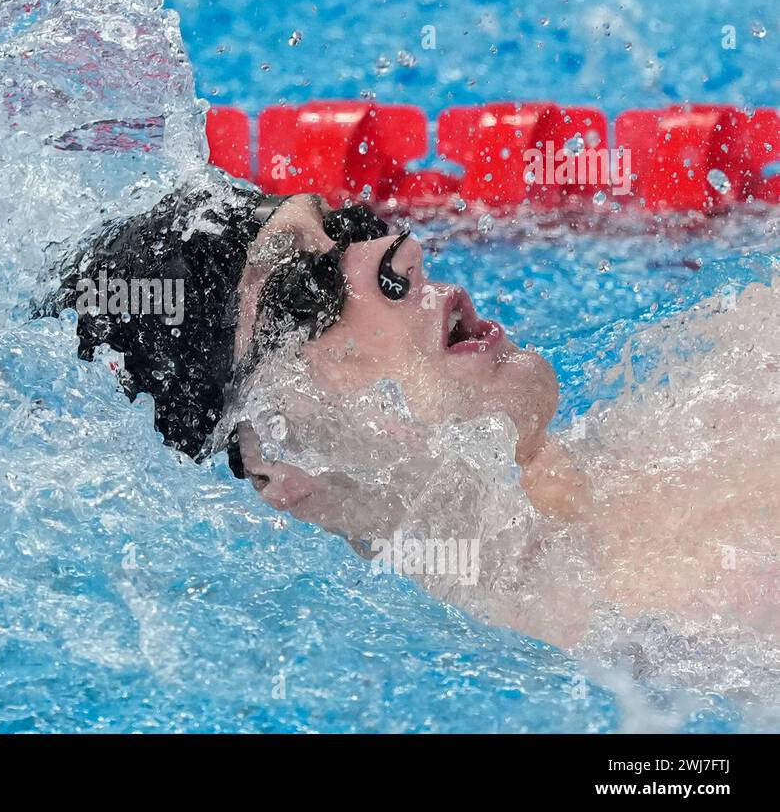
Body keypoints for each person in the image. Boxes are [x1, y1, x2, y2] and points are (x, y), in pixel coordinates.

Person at [39, 170, 778, 647]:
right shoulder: (658, 638)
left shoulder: (708, 407)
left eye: (353, 227)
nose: (395, 249)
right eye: (307, 288)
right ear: (276, 461)